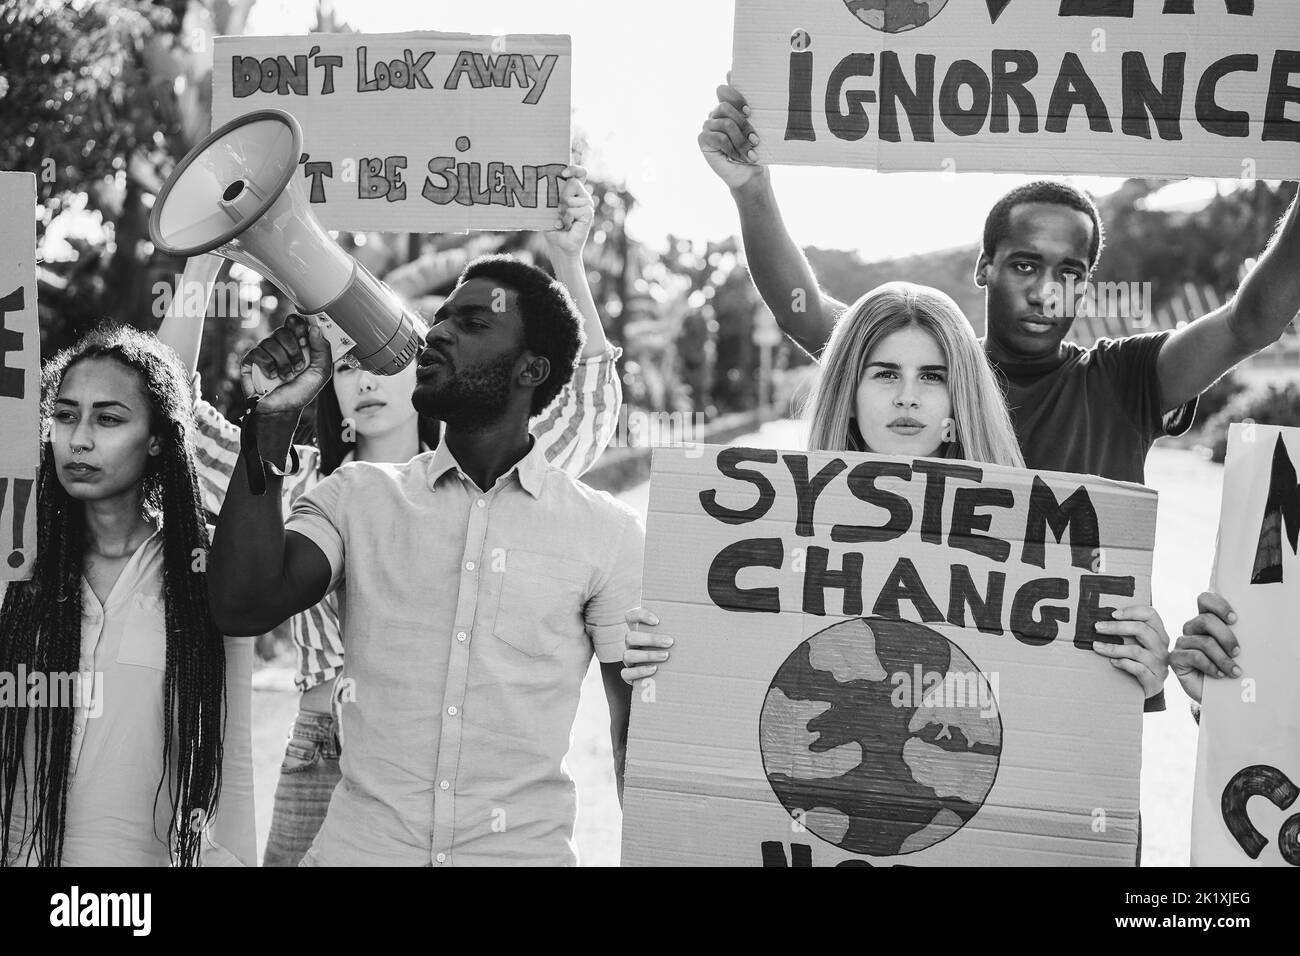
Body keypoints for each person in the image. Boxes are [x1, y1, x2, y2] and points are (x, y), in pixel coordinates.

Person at [158, 168, 624, 865]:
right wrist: (203, 257)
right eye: (344, 367)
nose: (365, 379)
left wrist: (565, 259)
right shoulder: (314, 486)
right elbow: (173, 417)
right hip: (325, 758)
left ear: (414, 361)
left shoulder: (518, 472)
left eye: (377, 356)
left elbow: (588, 395)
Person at [697, 80, 1300, 485]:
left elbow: (1249, 324)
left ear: (1087, 286)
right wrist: (752, 189)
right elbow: (803, 313)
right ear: (984, 268)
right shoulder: (931, 365)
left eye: (1070, 272)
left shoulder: (1126, 380)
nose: (1044, 291)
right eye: (1024, 265)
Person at [624, 281, 1170, 709]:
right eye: (885, 374)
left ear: (962, 395)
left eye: (933, 377)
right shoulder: (764, 527)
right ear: (848, 389)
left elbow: (1051, 712)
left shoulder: (1035, 542)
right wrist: (670, 653)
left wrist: (1125, 681)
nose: (908, 398)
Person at [0, 325, 253, 867]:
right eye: (65, 415)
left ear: (158, 437)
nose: (79, 438)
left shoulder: (201, 575)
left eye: (108, 419)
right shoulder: (17, 569)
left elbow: (235, 760)